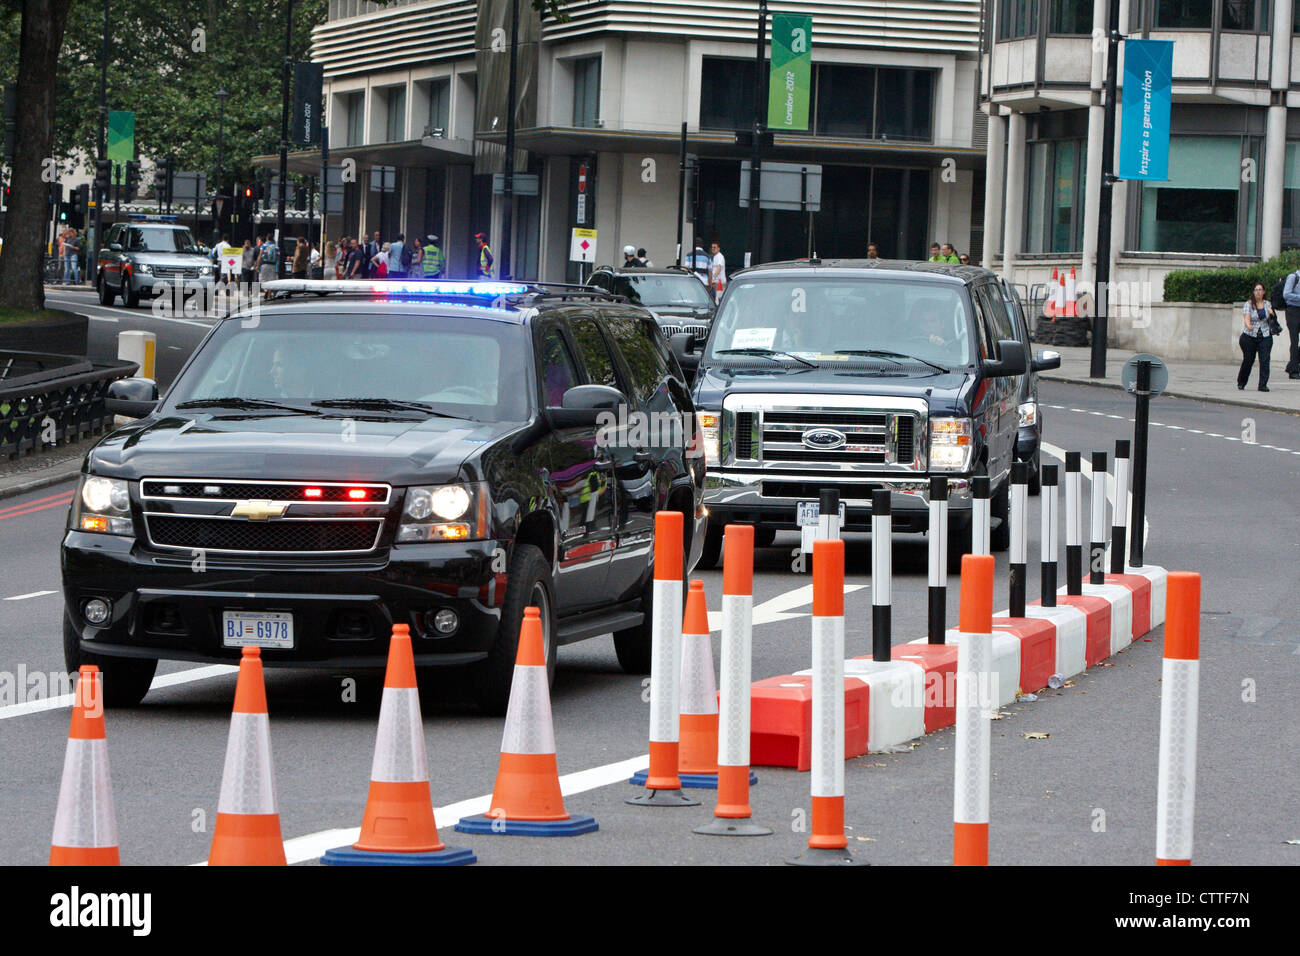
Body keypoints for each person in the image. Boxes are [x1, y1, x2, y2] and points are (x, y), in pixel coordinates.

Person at [1239, 281, 1277, 392]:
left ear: (1264, 292)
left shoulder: (1267, 304)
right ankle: (1241, 382)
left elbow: (1272, 319)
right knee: (1248, 360)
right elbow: (1246, 317)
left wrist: (1272, 313)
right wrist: (1248, 325)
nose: (1258, 292)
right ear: (1253, 292)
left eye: (1260, 290)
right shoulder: (1248, 304)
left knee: (1265, 360)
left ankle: (1262, 385)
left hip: (1265, 335)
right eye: (1256, 290)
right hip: (1249, 336)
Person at [1283, 265, 1300, 379]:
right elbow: (1286, 294)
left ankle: (1291, 364)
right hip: (1293, 311)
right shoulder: (1293, 277)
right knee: (1294, 341)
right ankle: (1293, 371)